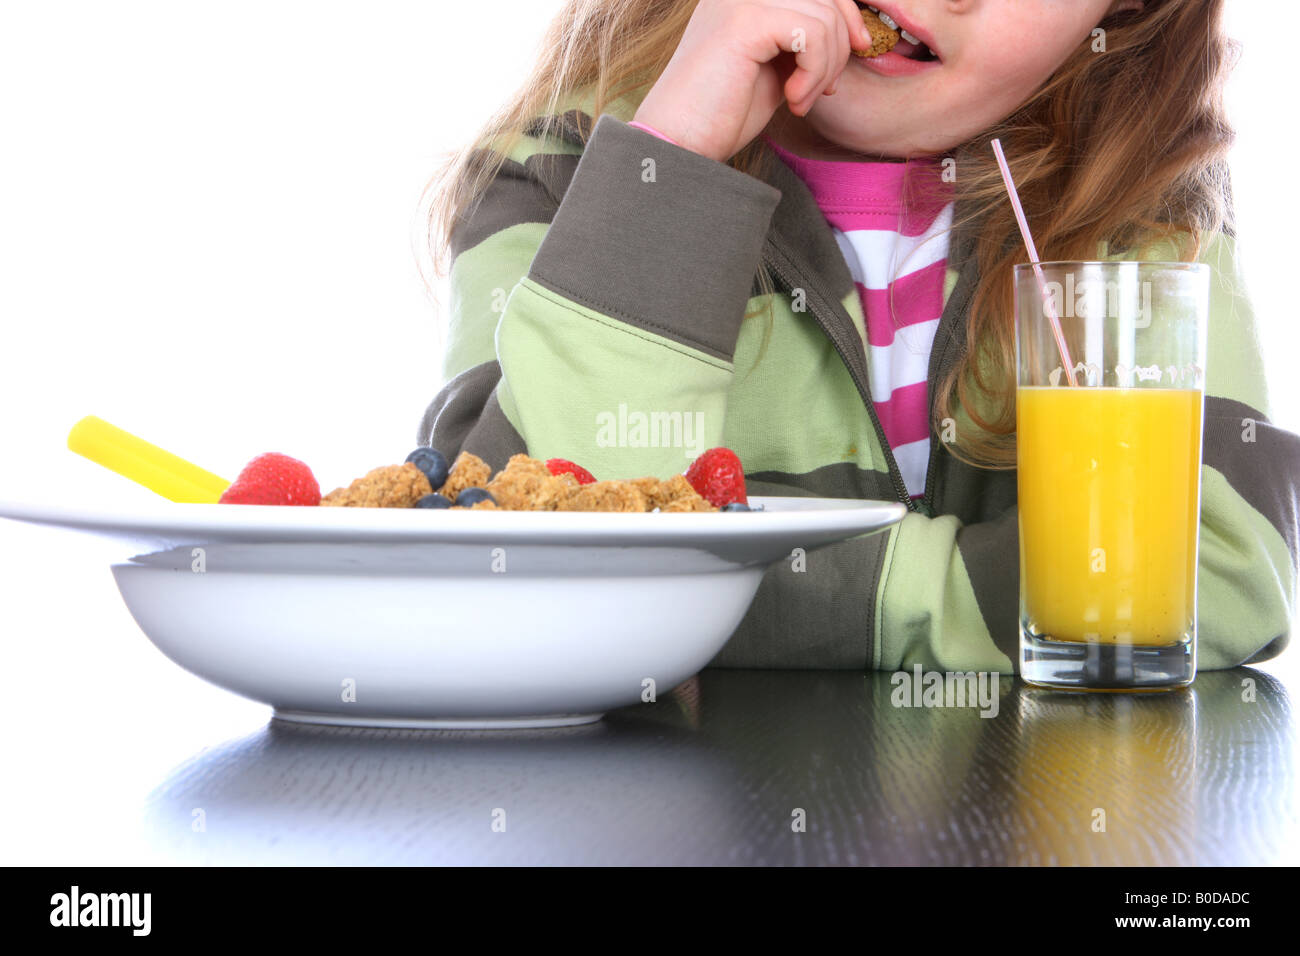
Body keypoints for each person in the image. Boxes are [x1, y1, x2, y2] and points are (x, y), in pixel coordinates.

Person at [415, 0, 1299, 671]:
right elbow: (511, 551)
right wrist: (672, 163)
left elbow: (1211, 578)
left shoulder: (1137, 207)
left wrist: (729, 588)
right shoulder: (566, 175)